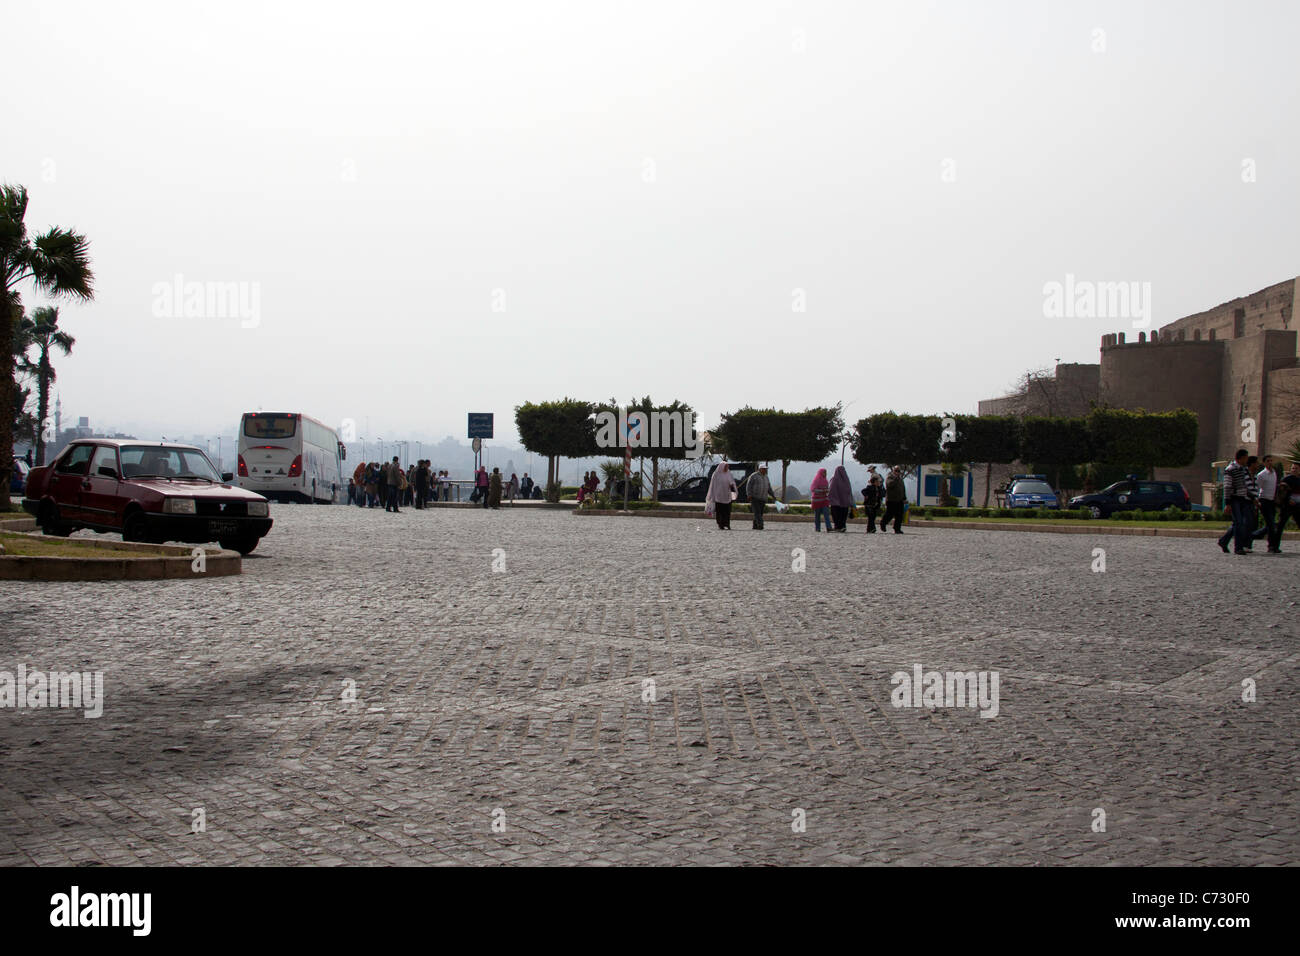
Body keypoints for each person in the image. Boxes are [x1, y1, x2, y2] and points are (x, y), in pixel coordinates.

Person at [1218, 449, 1255, 554]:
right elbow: (1227, 486)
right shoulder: (1230, 469)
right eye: (1246, 458)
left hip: (1242, 498)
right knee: (1239, 523)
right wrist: (1228, 503)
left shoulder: (1243, 469)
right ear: (1241, 458)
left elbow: (1244, 485)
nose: (1247, 460)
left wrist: (1252, 497)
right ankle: (1238, 547)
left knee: (1238, 523)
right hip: (1234, 499)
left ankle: (1223, 541)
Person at [1267, 460, 1300, 553]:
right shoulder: (1287, 479)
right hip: (1287, 506)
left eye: (1296, 468)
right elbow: (1281, 493)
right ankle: (1274, 546)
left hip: (1298, 506)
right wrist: (1288, 500)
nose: (1294, 470)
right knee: (1280, 526)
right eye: (1293, 468)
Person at [1252, 455, 1278, 547]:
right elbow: (1257, 488)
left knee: (1271, 524)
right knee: (1271, 523)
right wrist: (1256, 501)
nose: (1270, 462)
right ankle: (1271, 545)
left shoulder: (1274, 473)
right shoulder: (1261, 475)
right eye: (1268, 461)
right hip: (1264, 500)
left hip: (1272, 501)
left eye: (1271, 460)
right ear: (1264, 463)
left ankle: (1253, 535)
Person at [705, 463, 737, 529]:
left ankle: (727, 524)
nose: (727, 468)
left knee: (727, 511)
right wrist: (712, 495)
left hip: (727, 496)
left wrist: (732, 486)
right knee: (720, 511)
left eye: (727, 467)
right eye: (725, 467)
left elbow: (732, 482)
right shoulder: (716, 474)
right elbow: (713, 485)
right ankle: (720, 524)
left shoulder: (729, 474)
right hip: (718, 496)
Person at [745, 465, 775, 529]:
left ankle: (755, 525)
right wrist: (749, 494)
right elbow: (748, 486)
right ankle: (760, 525)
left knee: (760, 513)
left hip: (763, 498)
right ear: (760, 469)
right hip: (754, 497)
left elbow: (769, 487)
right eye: (764, 469)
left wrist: (772, 495)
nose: (765, 470)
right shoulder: (754, 476)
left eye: (766, 469)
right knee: (757, 512)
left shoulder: (766, 477)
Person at [881, 466, 906, 534]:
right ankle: (883, 523)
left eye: (898, 471)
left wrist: (904, 498)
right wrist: (895, 479)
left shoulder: (900, 479)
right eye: (896, 471)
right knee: (889, 514)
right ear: (893, 471)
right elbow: (889, 485)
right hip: (891, 500)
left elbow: (903, 488)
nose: (897, 472)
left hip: (899, 500)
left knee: (899, 515)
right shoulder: (890, 477)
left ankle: (897, 528)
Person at [829, 465, 852, 532]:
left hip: (835, 502)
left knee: (836, 516)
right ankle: (843, 526)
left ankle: (838, 527)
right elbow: (849, 490)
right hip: (845, 502)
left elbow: (831, 490)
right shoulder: (846, 479)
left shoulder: (834, 479)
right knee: (843, 515)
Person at [809, 468, 832, 532]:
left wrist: (827, 490)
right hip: (817, 500)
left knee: (826, 514)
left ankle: (829, 527)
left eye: (826, 473)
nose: (825, 474)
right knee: (817, 515)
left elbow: (827, 488)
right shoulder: (816, 480)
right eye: (824, 472)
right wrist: (821, 491)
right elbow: (813, 489)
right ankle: (817, 528)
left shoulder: (825, 480)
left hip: (824, 500)